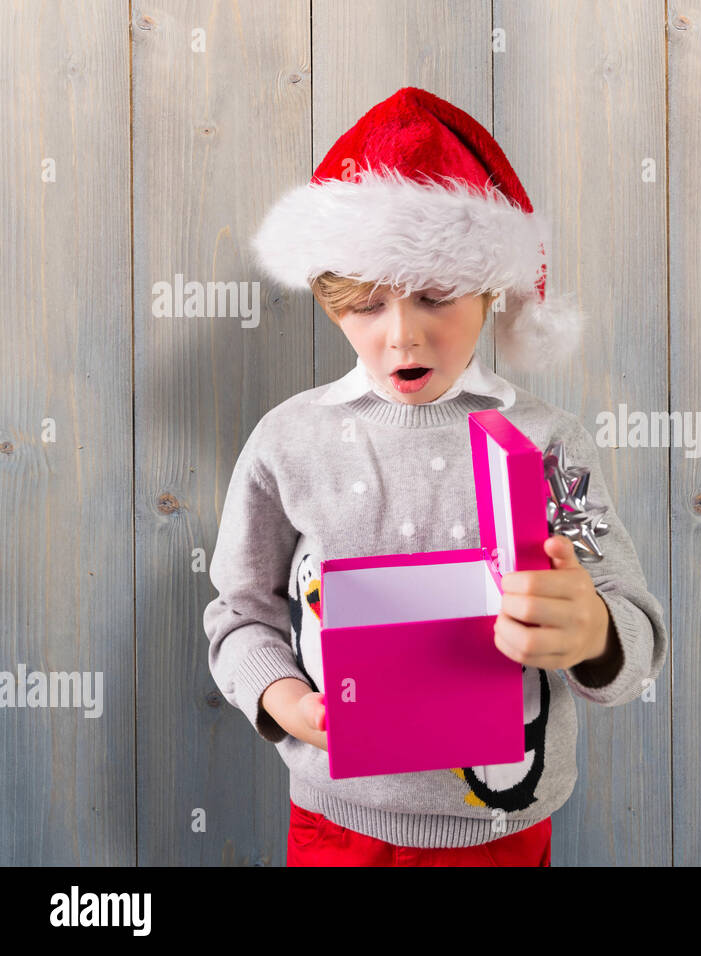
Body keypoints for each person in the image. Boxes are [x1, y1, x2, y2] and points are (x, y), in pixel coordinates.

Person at [203, 87, 667, 866]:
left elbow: (638, 633)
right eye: (366, 304)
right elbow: (239, 613)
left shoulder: (548, 444)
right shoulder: (289, 441)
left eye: (434, 296)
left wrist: (591, 632)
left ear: (491, 287)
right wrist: (284, 700)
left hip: (504, 830)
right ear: (328, 296)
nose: (401, 335)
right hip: (337, 823)